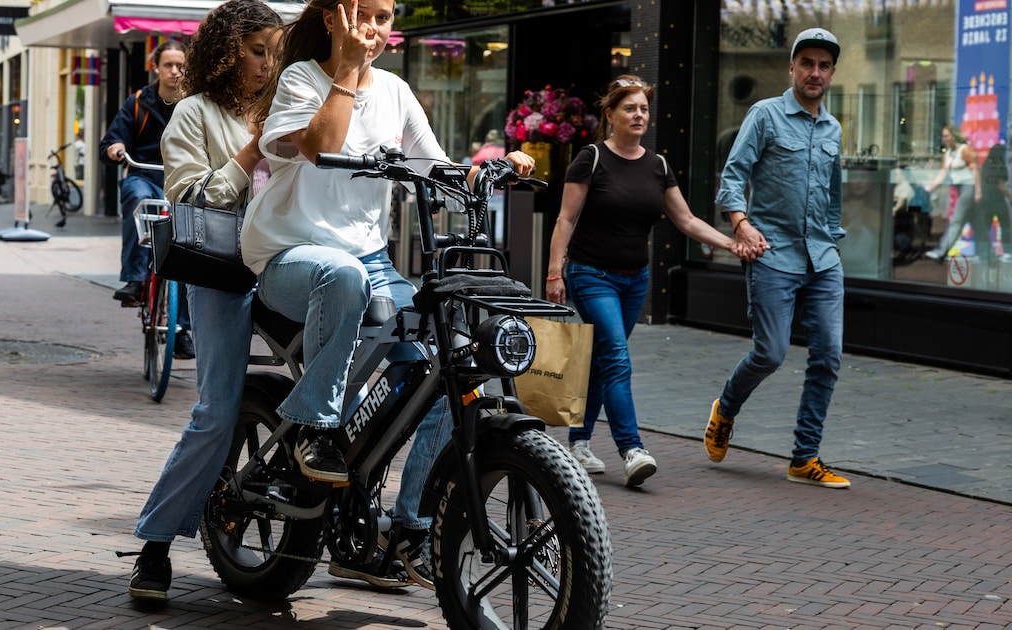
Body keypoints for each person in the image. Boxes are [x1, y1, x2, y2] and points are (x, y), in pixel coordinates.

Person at [239, 0, 536, 589]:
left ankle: (408, 527)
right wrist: (346, 68)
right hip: (290, 254)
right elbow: (321, 144)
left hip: (371, 262)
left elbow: (438, 171)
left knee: (450, 359)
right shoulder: (300, 80)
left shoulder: (397, 91)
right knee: (343, 278)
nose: (373, 28)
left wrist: (491, 168)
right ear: (332, 19)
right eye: (362, 15)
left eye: (383, 17)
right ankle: (318, 433)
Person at [124, 0, 285, 601]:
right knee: (216, 410)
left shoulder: (288, 105)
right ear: (225, 50)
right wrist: (251, 152)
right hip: (221, 269)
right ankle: (156, 546)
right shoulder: (192, 113)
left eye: (275, 52)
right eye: (256, 51)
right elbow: (194, 201)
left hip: (288, 264)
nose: (268, 65)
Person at [545, 76, 755, 488]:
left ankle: (579, 442)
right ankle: (632, 448)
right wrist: (555, 272)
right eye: (630, 108)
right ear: (610, 115)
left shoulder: (657, 165)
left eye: (643, 108)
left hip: (634, 281)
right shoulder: (590, 158)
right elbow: (565, 219)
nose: (639, 115)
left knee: (605, 362)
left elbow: (687, 219)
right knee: (618, 359)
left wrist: (730, 244)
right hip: (590, 276)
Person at [704, 27, 851, 489]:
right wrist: (741, 224)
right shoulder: (765, 115)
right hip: (773, 255)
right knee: (770, 353)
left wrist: (833, 239)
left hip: (823, 260)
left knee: (828, 355)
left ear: (831, 73)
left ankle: (804, 458)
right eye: (806, 63)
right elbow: (733, 175)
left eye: (823, 65)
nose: (815, 72)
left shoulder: (833, 128)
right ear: (791, 67)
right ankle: (726, 407)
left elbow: (832, 196)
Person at [99, 38, 195, 360]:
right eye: (168, 64)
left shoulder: (194, 104)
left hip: (182, 180)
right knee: (136, 197)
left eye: (180, 64)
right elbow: (111, 141)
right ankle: (136, 279)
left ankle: (181, 331)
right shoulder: (138, 103)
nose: (174, 71)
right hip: (145, 176)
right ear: (156, 67)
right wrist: (115, 148)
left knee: (187, 249)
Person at [923, 125, 980, 262]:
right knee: (976, 222)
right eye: (943, 136)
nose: (944, 139)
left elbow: (976, 170)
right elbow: (943, 173)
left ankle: (940, 251)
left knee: (956, 221)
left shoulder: (965, 150)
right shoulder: (948, 153)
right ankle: (986, 253)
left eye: (947, 136)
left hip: (969, 187)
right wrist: (931, 187)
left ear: (954, 136)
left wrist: (978, 191)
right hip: (960, 189)